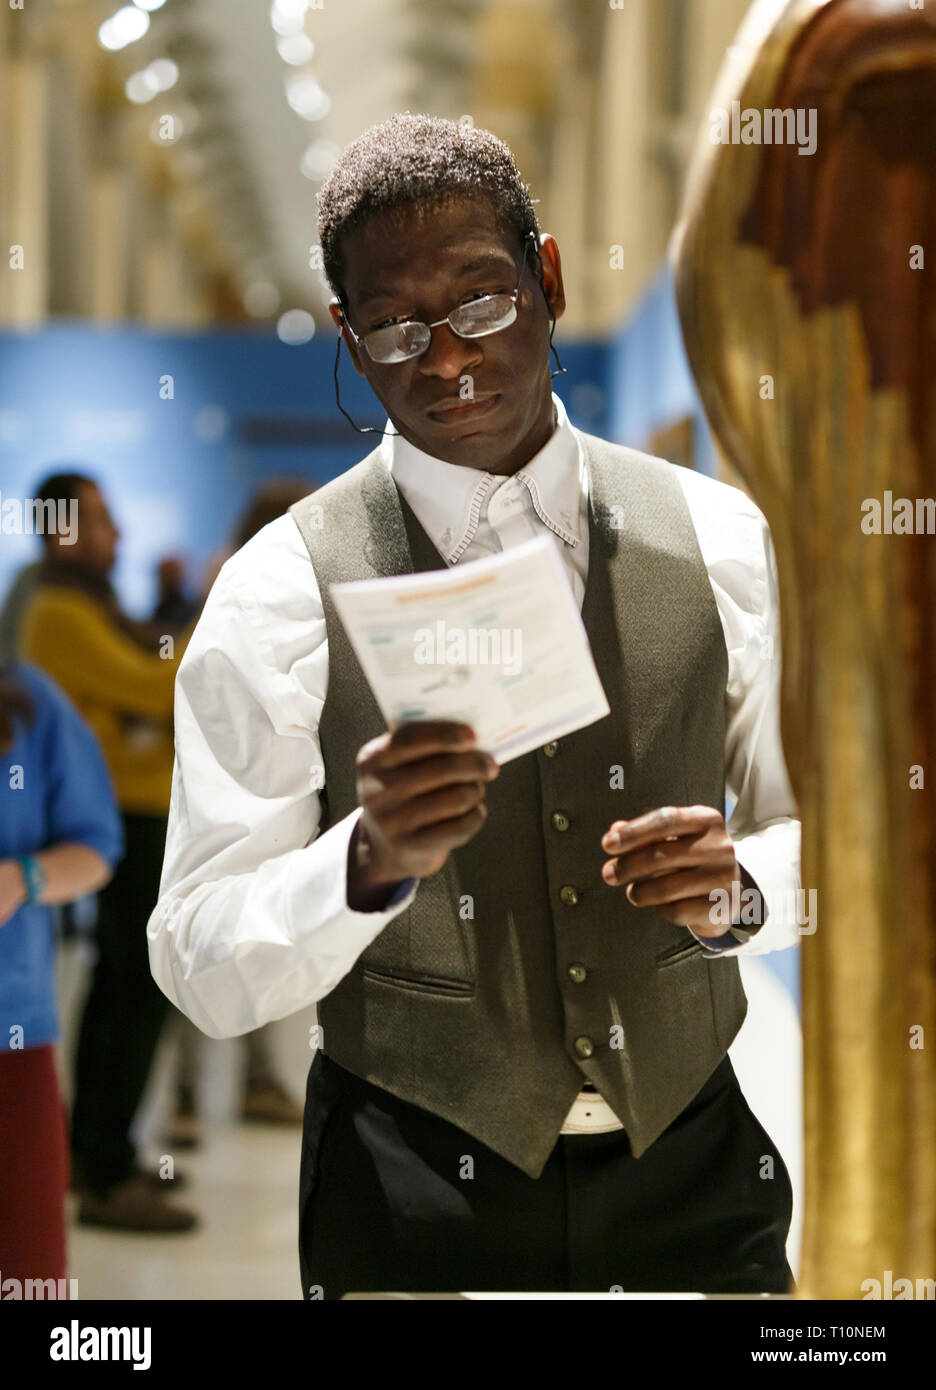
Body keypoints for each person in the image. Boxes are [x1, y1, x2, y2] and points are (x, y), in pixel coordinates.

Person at [148, 114, 802, 1297]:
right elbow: (195, 955)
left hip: (694, 1169)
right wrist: (363, 860)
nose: (446, 360)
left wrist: (740, 889)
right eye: (394, 329)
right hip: (403, 1184)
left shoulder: (718, 538)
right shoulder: (279, 588)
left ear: (546, 276)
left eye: (483, 302)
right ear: (346, 336)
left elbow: (834, 849)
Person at [20, 471, 197, 1232]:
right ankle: (103, 1166)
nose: (118, 535)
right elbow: (155, 690)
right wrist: (213, 617)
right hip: (124, 818)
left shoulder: (87, 606)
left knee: (130, 988)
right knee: (132, 987)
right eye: (101, 520)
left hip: (138, 812)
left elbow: (144, 702)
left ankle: (103, 1155)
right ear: (64, 528)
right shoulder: (55, 612)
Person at [0, 661, 123, 1281]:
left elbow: (95, 846)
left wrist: (22, 878)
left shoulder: (28, 701)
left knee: (28, 1271)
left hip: (12, 1036)